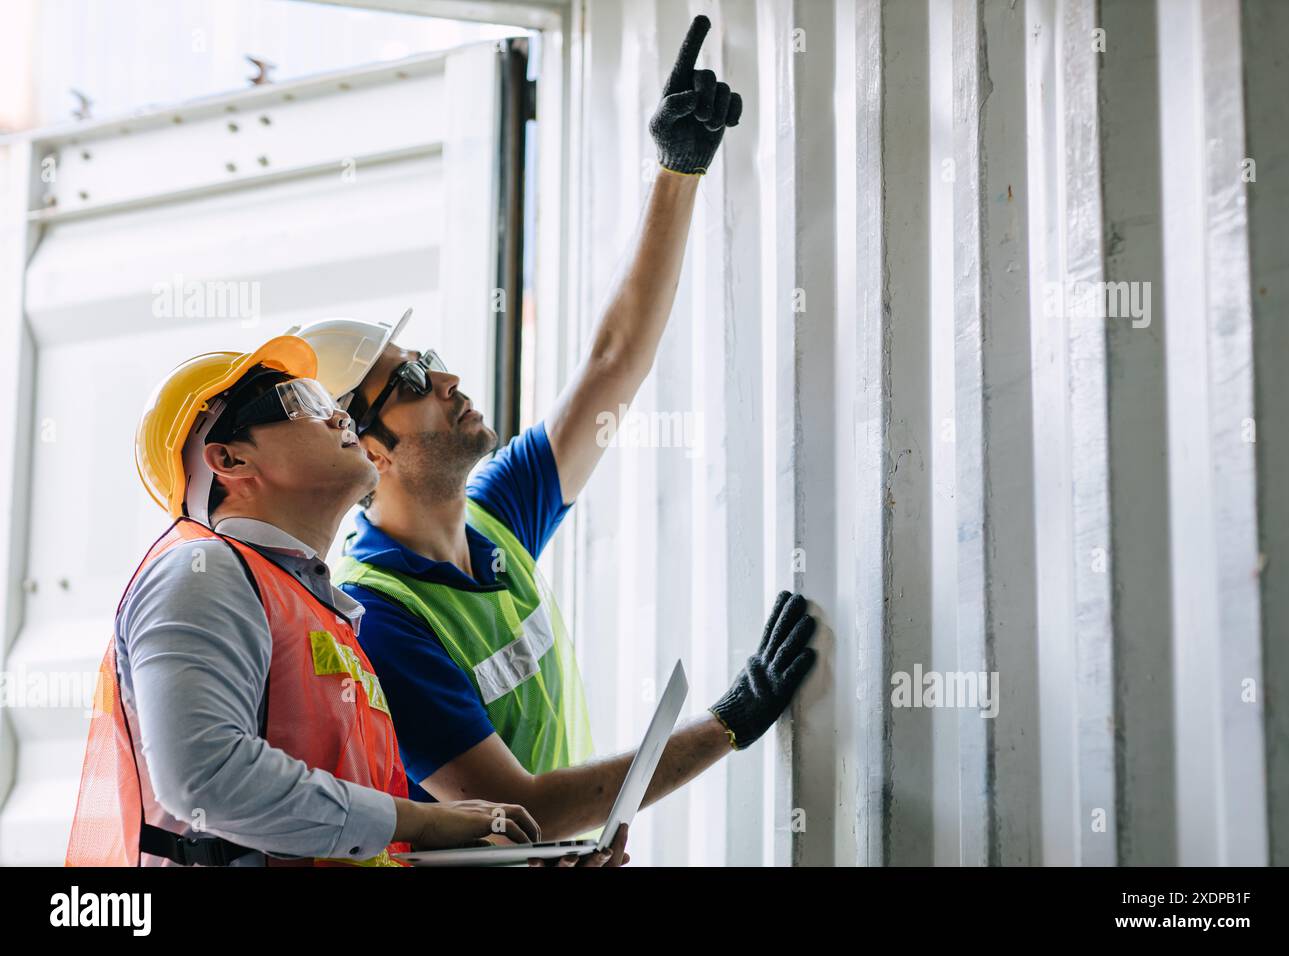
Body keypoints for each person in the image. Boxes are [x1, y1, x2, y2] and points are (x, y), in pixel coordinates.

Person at [294, 15, 817, 859]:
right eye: (415, 382)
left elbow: (612, 365)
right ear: (368, 449)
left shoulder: (495, 517)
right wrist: (730, 722)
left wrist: (678, 169)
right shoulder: (383, 622)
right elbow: (520, 806)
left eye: (430, 358)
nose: (450, 379)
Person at [65, 335, 542, 866]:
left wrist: (504, 860)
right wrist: (423, 820)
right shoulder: (201, 573)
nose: (340, 418)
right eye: (303, 404)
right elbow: (206, 778)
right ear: (229, 458)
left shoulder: (313, 607)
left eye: (330, 401)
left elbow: (330, 838)